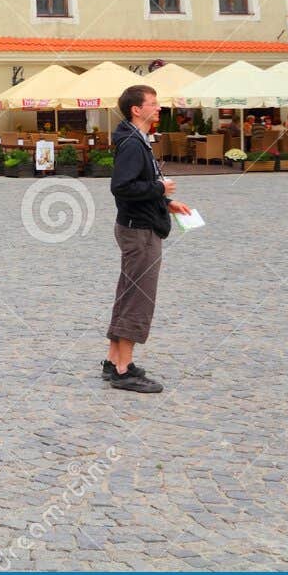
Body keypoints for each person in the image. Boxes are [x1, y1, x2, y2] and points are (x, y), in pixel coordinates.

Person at [105, 84, 191, 394]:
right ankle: (124, 371)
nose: (158, 108)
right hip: (139, 230)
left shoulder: (138, 138)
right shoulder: (131, 143)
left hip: (140, 223)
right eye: (153, 103)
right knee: (138, 297)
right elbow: (122, 187)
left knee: (128, 290)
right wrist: (160, 191)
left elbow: (139, 182)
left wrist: (167, 204)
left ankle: (113, 360)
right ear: (136, 110)